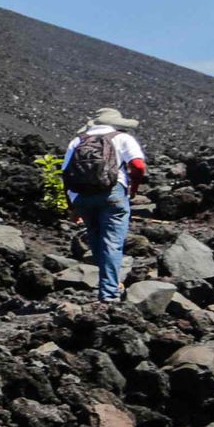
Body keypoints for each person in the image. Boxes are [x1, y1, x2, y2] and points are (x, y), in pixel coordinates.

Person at [61, 108, 150, 303]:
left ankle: (109, 284)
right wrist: (133, 188)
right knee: (112, 244)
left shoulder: (78, 141)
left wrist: (73, 208)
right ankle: (109, 294)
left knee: (97, 243)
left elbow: (66, 175)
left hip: (82, 197)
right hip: (113, 194)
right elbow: (138, 165)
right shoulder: (122, 138)